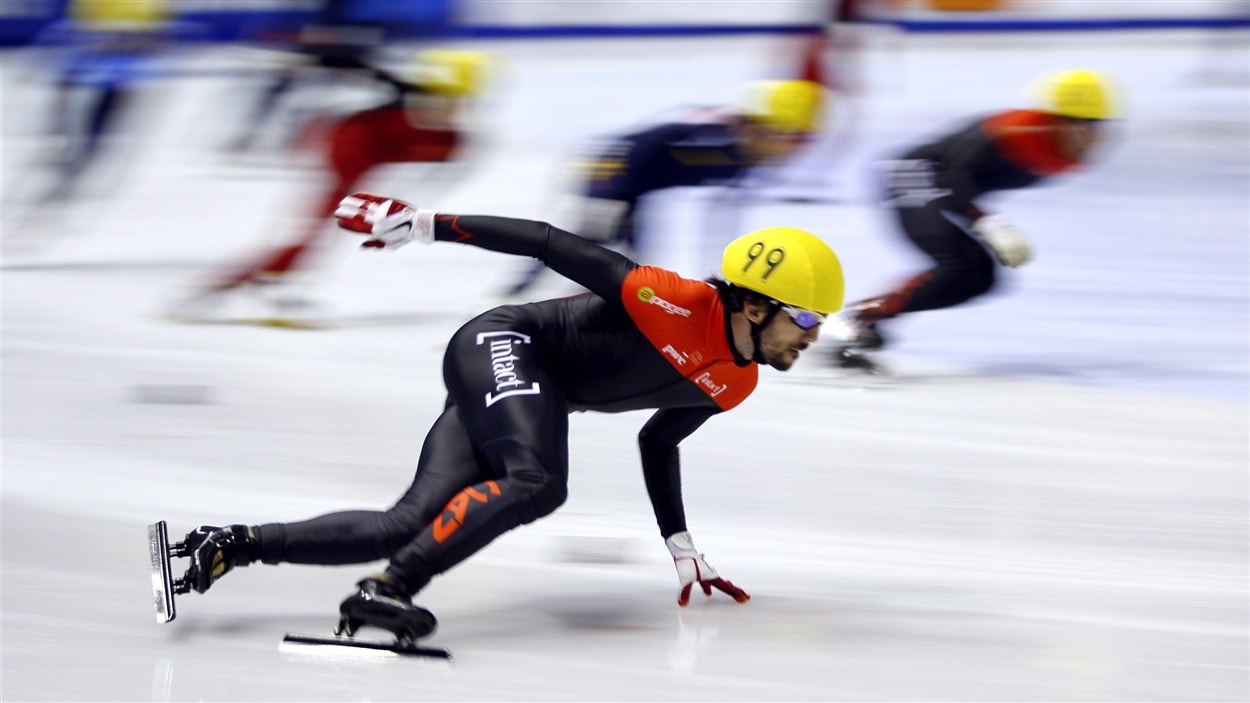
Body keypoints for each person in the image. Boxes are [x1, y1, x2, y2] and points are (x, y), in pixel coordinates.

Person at [170, 190, 845, 641]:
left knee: (404, 522)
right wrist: (428, 225)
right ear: (754, 304)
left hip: (524, 388)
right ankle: (387, 589)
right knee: (539, 480)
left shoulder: (736, 383)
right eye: (807, 319)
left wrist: (680, 543)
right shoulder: (672, 299)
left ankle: (229, 542)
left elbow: (658, 439)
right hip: (504, 343)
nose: (813, 337)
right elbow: (550, 241)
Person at [169, 49, 493, 326]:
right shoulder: (405, 104)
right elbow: (356, 66)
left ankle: (264, 283)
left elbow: (439, 169)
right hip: (347, 145)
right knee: (321, 225)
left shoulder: (452, 139)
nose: (446, 109)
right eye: (438, 99)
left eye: (456, 101)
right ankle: (235, 284)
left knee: (323, 227)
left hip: (362, 147)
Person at [833, 69, 1121, 373]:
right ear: (1055, 120)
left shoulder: (1067, 155)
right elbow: (953, 174)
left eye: (1100, 126)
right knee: (958, 265)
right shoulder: (1014, 130)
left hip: (941, 187)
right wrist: (988, 223)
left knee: (980, 278)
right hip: (911, 174)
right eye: (1085, 125)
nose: (1093, 136)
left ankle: (866, 318)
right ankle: (858, 321)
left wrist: (984, 221)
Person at [501, 78, 827, 299]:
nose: (794, 150)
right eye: (789, 136)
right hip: (615, 168)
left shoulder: (748, 151)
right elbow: (644, 145)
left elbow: (722, 220)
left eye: (802, 140)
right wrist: (611, 202)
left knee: (630, 268)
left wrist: (724, 284)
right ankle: (517, 293)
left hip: (636, 183)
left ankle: (567, 302)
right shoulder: (720, 138)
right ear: (763, 128)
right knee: (592, 247)